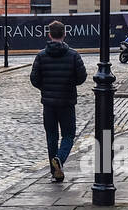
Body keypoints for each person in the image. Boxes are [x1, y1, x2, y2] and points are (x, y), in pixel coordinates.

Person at [29, 19, 87, 182]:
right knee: (68, 134)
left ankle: (55, 172)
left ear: (49, 35)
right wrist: (69, 83)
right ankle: (59, 160)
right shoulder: (73, 55)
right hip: (67, 101)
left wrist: (45, 88)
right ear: (64, 34)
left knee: (51, 136)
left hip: (48, 103)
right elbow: (82, 77)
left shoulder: (41, 56)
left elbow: (34, 79)